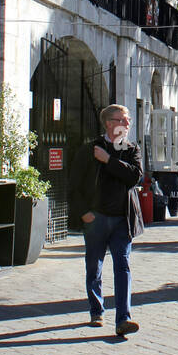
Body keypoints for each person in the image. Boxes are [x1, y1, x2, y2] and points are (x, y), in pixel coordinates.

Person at [67, 104, 142, 335]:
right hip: (96, 218)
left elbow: (134, 177)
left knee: (123, 266)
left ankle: (123, 319)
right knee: (94, 266)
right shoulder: (90, 149)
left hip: (122, 219)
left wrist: (109, 160)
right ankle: (96, 310)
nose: (127, 123)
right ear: (109, 123)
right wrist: (83, 213)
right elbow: (74, 184)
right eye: (122, 119)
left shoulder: (131, 149)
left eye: (128, 119)